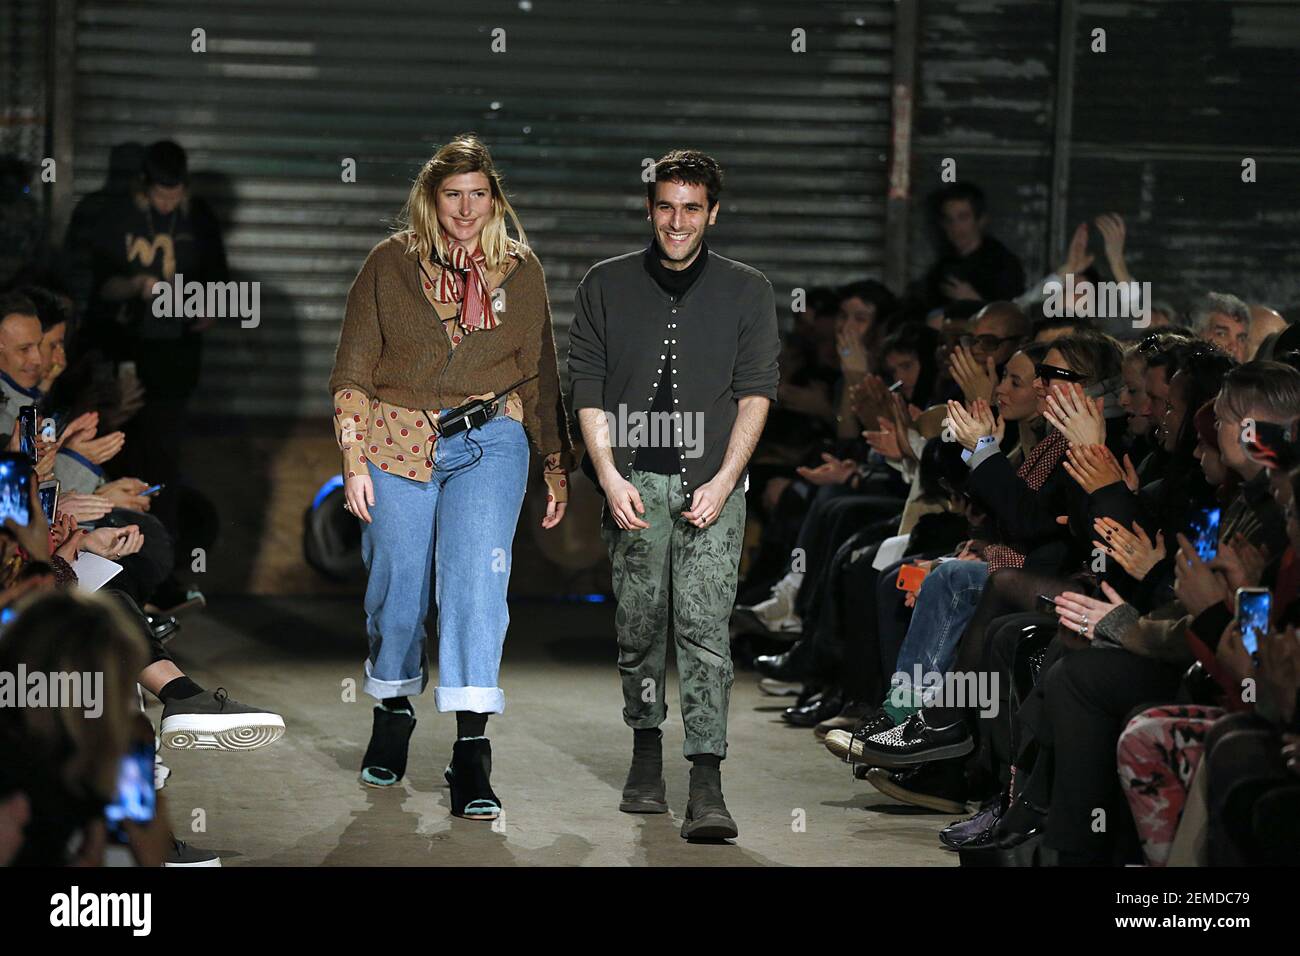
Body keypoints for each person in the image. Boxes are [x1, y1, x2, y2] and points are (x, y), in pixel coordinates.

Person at [329, 135, 573, 820]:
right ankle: (395, 709)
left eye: (478, 195)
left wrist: (555, 462)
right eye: (451, 195)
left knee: (475, 585)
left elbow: (542, 367)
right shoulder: (388, 264)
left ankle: (471, 748)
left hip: (490, 437)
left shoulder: (521, 272)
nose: (465, 209)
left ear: (494, 199)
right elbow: (351, 368)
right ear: (430, 200)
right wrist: (353, 459)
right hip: (395, 437)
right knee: (396, 586)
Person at [568, 149, 779, 840]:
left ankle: (707, 779)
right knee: (638, 625)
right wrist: (608, 475)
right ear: (650, 208)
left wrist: (724, 479)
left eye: (692, 208)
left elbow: (756, 393)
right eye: (666, 206)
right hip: (632, 481)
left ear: (713, 212)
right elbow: (589, 387)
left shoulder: (748, 289)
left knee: (704, 629)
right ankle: (646, 753)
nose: (678, 221)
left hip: (711, 484)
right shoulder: (606, 284)